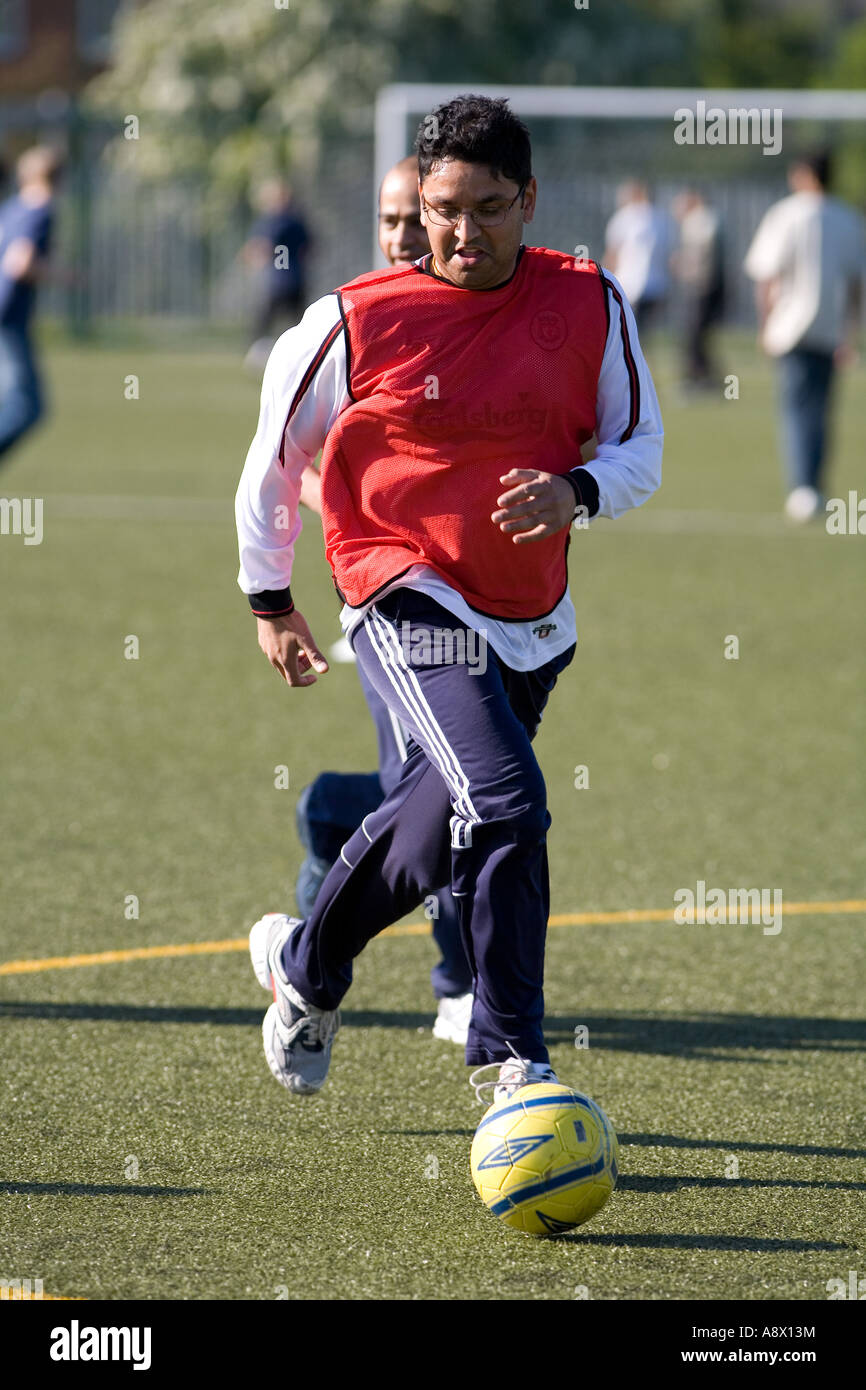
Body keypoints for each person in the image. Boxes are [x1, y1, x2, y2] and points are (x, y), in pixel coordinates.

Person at [235, 94, 663, 1103]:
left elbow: (637, 447)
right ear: (417, 204)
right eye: (440, 210)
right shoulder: (351, 320)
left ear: (528, 201)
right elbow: (270, 464)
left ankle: (304, 965)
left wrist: (576, 492)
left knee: (429, 830)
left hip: (529, 619)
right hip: (400, 589)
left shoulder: (589, 301)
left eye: (486, 208)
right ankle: (510, 1057)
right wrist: (271, 601)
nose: (460, 233)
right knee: (510, 804)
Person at [293, 153, 474, 1045]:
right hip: (395, 605)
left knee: (444, 783)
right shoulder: (355, 319)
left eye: (419, 219)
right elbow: (291, 458)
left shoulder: (482, 314)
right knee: (451, 786)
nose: (405, 237)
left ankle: (331, 814)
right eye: (390, 220)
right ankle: (458, 984)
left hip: (492, 607)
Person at [744, 151, 865, 523]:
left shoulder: (785, 214)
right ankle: (813, 484)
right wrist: (851, 331)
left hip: (790, 327)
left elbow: (765, 274)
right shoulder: (847, 217)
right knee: (820, 408)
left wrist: (765, 325)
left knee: (796, 408)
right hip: (829, 329)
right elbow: (856, 283)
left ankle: (802, 487)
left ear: (804, 174)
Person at [0, 145, 62, 464]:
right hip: (8, 315)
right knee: (27, 406)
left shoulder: (12, 207)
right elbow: (19, 264)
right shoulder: (41, 208)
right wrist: (64, 275)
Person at [242, 179, 311, 368]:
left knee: (263, 325)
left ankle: (259, 359)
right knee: (298, 326)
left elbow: (263, 246)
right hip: (297, 281)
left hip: (277, 282)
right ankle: (302, 362)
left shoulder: (273, 222)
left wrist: (250, 256)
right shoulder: (298, 222)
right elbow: (310, 248)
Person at [603, 179, 674, 336]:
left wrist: (604, 282)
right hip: (657, 285)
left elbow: (612, 253)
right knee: (641, 332)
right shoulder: (663, 218)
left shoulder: (625, 217)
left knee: (625, 331)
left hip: (629, 284)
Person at [671, 188, 725, 392]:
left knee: (695, 335)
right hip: (702, 286)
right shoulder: (704, 219)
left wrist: (683, 264)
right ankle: (704, 378)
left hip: (703, 287)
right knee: (696, 335)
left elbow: (702, 255)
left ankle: (699, 380)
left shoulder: (701, 220)